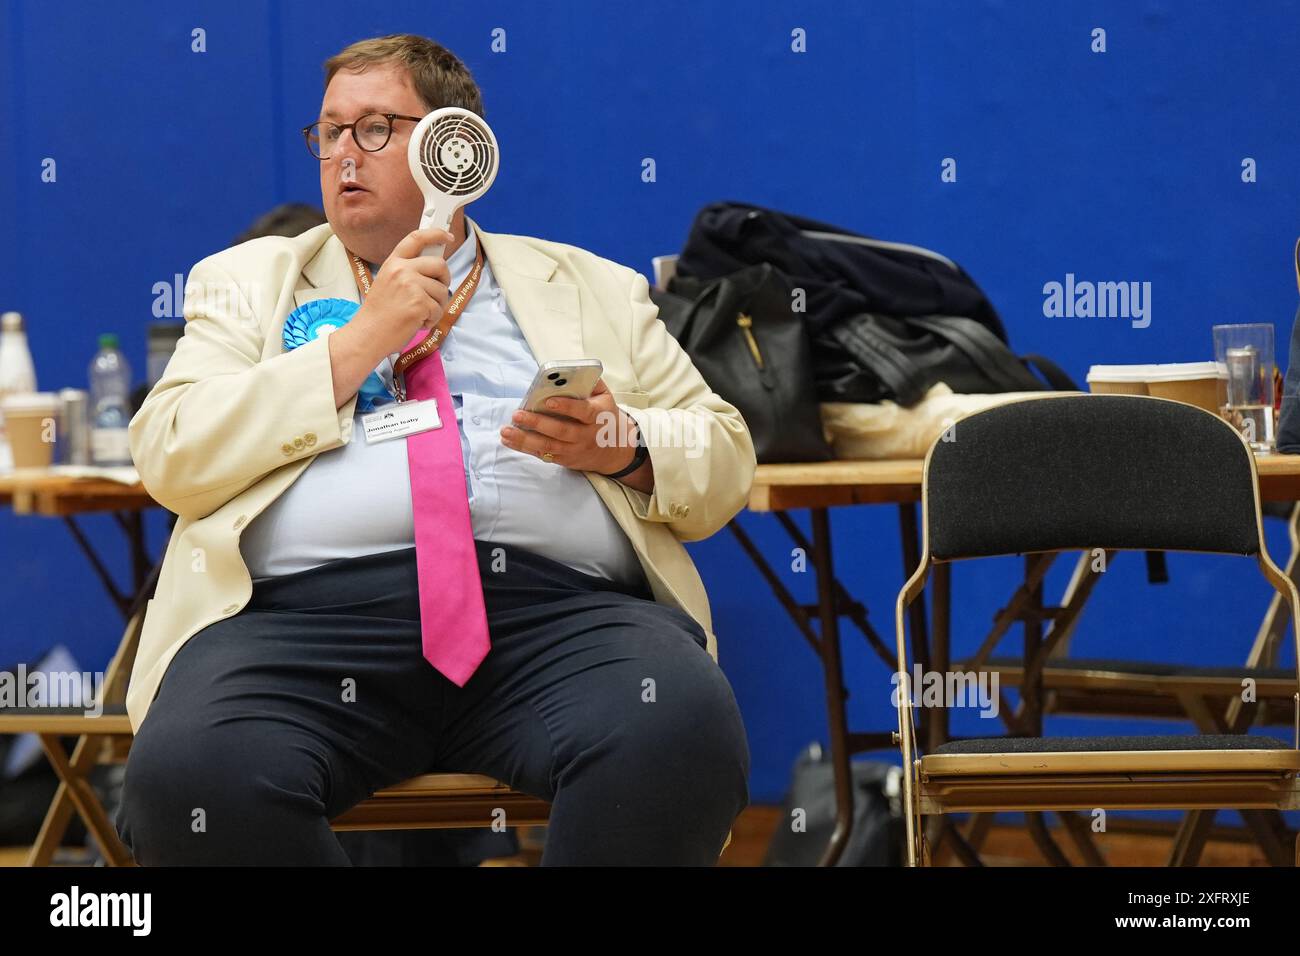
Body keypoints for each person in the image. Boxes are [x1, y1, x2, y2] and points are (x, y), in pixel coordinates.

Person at [115, 33, 756, 866]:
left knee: (678, 724)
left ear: (455, 145)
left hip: (556, 620)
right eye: (328, 132)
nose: (342, 154)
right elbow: (170, 452)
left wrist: (622, 443)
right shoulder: (247, 283)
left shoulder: (590, 285)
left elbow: (724, 450)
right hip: (300, 630)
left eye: (374, 128)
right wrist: (353, 349)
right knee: (190, 776)